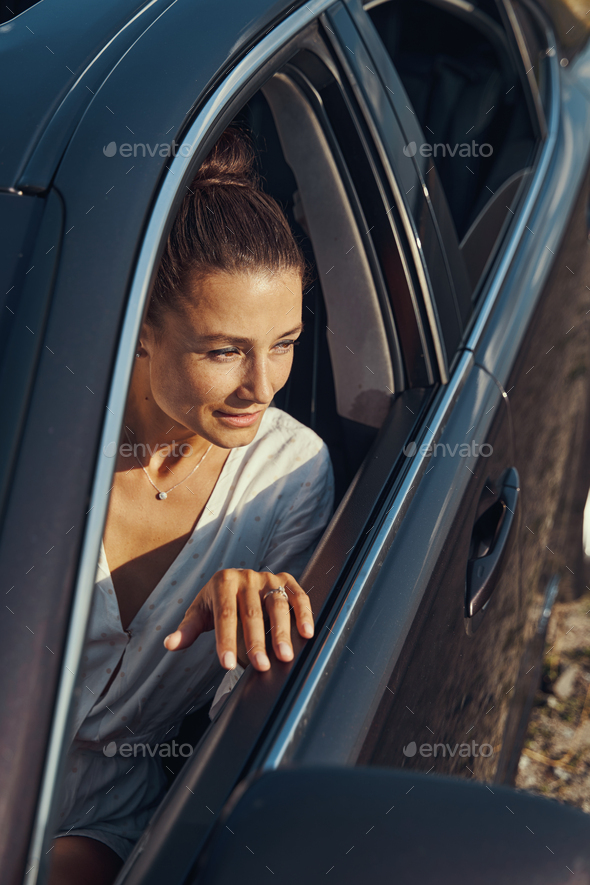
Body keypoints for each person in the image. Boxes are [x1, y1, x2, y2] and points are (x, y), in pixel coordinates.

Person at [49, 128, 334, 885]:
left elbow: (248, 727)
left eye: (285, 342)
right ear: (142, 330)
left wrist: (250, 623)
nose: (263, 386)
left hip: (103, 817)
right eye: (222, 350)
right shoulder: (46, 423)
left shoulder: (292, 472)